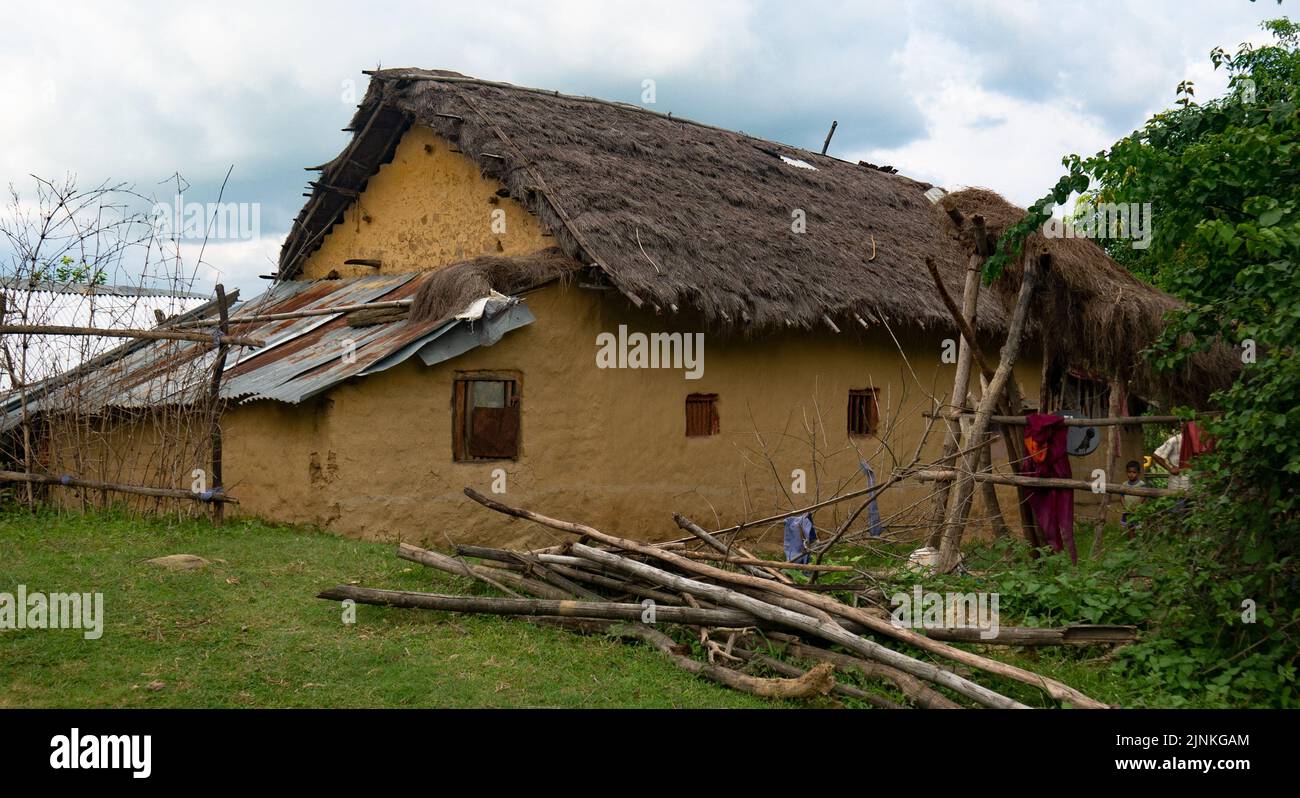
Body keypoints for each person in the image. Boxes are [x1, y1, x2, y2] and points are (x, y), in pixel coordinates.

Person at [1121, 460, 1146, 537]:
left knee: (1138, 527)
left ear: (1138, 473)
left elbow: (1143, 496)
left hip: (1137, 510)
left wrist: (1138, 506)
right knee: (1129, 526)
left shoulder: (1141, 484)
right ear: (1126, 472)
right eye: (1129, 472)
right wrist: (1124, 506)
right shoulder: (1124, 484)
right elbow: (1121, 496)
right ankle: (1131, 543)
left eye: (1134, 472)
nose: (1131, 474)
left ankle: (1139, 543)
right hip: (1127, 510)